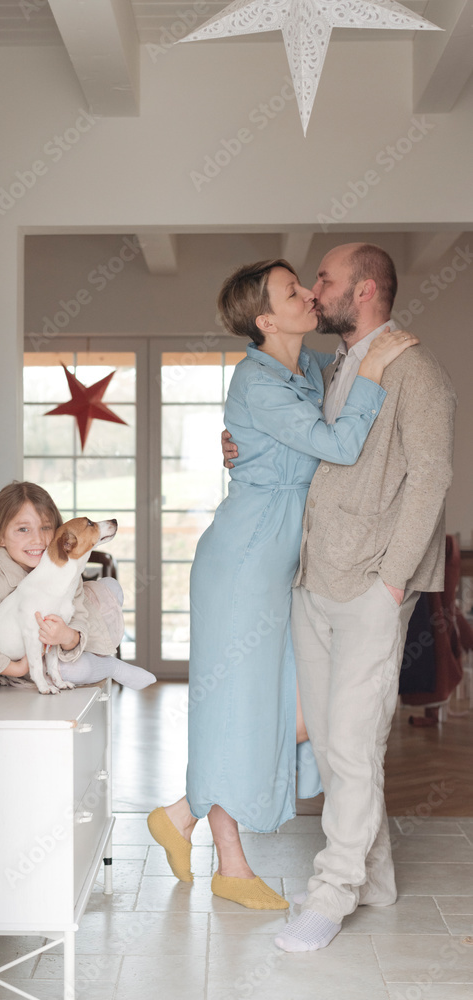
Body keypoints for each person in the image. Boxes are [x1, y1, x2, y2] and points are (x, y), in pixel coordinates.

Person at [148, 259, 416, 911]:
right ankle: (231, 866)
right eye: (292, 291)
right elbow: (337, 445)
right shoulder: (256, 381)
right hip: (242, 561)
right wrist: (376, 372)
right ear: (266, 319)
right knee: (236, 706)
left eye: (304, 284)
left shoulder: (313, 369)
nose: (306, 295)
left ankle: (179, 815)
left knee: (300, 708)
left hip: (287, 560)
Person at [223, 243, 456, 950]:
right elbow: (298, 446)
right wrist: (239, 447)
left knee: (353, 744)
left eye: (322, 279)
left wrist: (391, 580)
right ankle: (374, 875)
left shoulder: (414, 372)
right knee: (331, 744)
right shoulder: (327, 369)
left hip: (367, 587)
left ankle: (332, 890)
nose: (312, 289)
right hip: (310, 575)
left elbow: (430, 477)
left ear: (361, 292)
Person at [0, 480, 156, 691]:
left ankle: (92, 649)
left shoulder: (64, 569)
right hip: (22, 660)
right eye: (23, 529)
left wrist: (69, 637)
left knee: (111, 588)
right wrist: (17, 668)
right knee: (74, 670)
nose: (37, 539)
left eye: (45, 527)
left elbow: (78, 615)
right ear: (0, 536)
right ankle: (111, 666)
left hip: (59, 642)